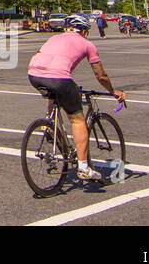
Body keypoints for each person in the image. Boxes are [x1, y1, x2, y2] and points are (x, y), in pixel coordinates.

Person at [26, 14, 127, 181]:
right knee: (77, 120)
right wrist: (112, 90)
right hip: (59, 78)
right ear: (84, 31)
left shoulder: (54, 38)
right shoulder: (87, 44)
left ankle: (49, 123)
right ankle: (83, 167)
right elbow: (100, 75)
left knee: (57, 92)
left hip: (34, 75)